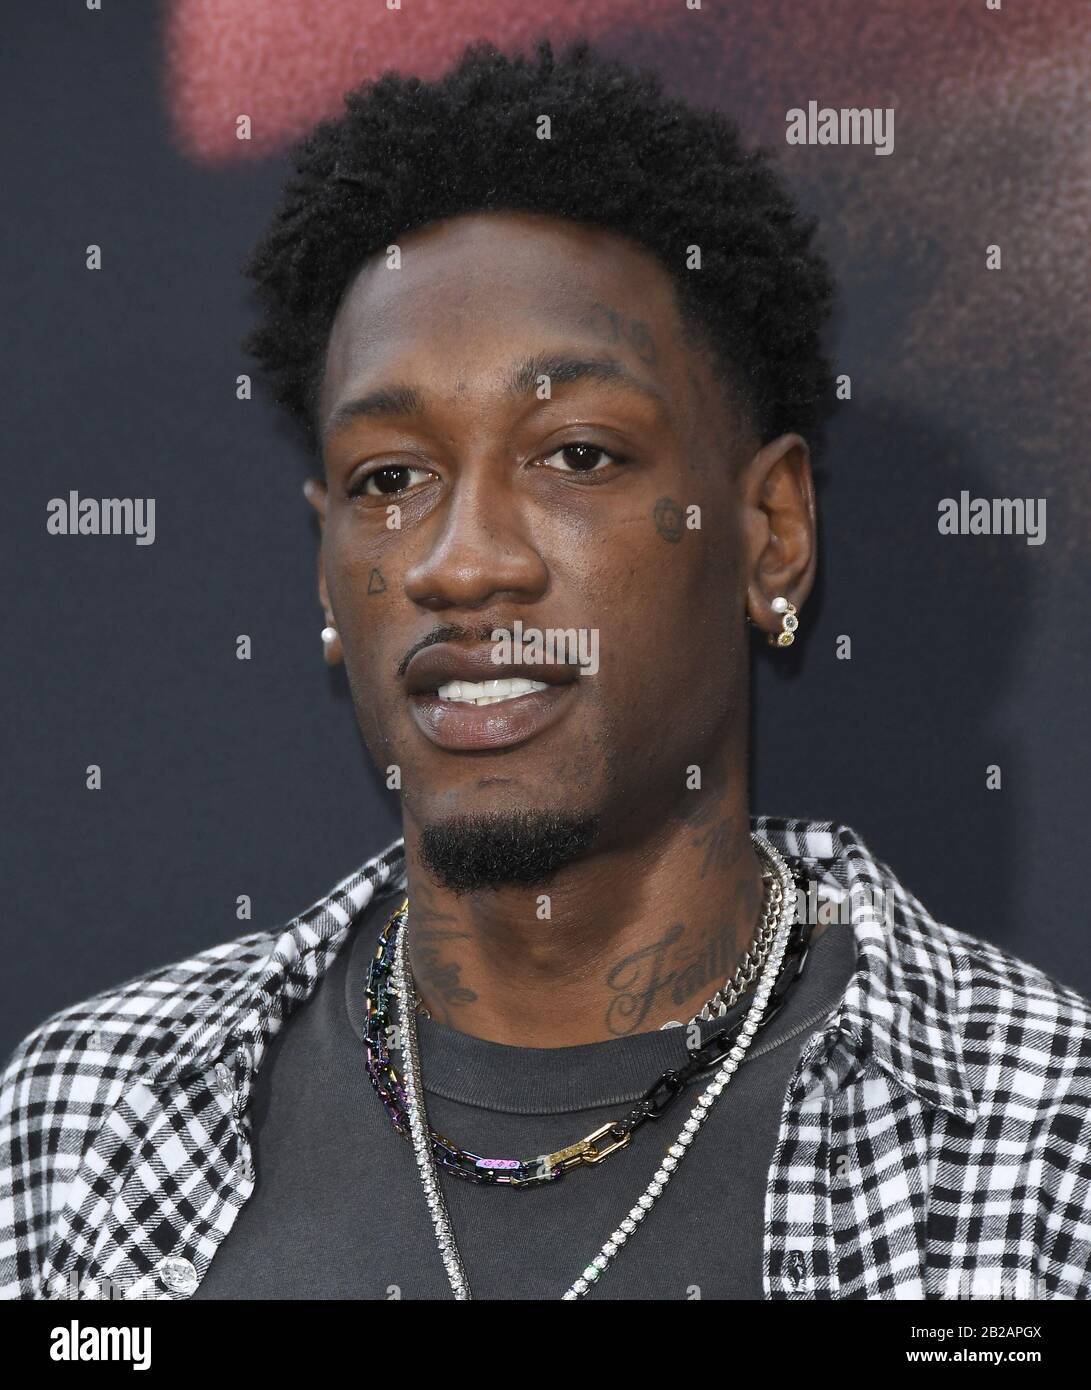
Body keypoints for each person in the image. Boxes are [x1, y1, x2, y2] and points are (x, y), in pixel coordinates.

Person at [3, 37, 1089, 1303]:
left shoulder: (1036, 1147)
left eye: (574, 455)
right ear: (323, 575)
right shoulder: (80, 1130)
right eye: (389, 479)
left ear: (771, 535)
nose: (461, 567)